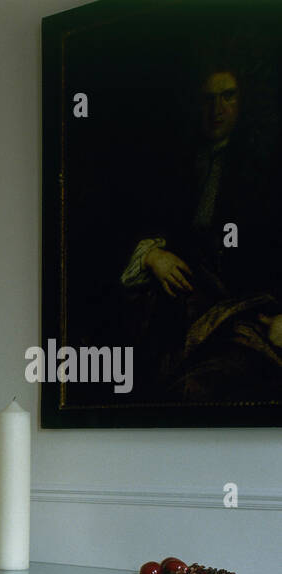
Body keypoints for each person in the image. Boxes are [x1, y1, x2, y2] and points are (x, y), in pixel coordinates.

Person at [119, 66, 282, 402]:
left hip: (250, 317)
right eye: (208, 99)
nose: (217, 109)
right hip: (185, 313)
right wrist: (152, 254)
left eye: (227, 96)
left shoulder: (266, 168)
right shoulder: (174, 165)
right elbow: (130, 222)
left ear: (243, 102)